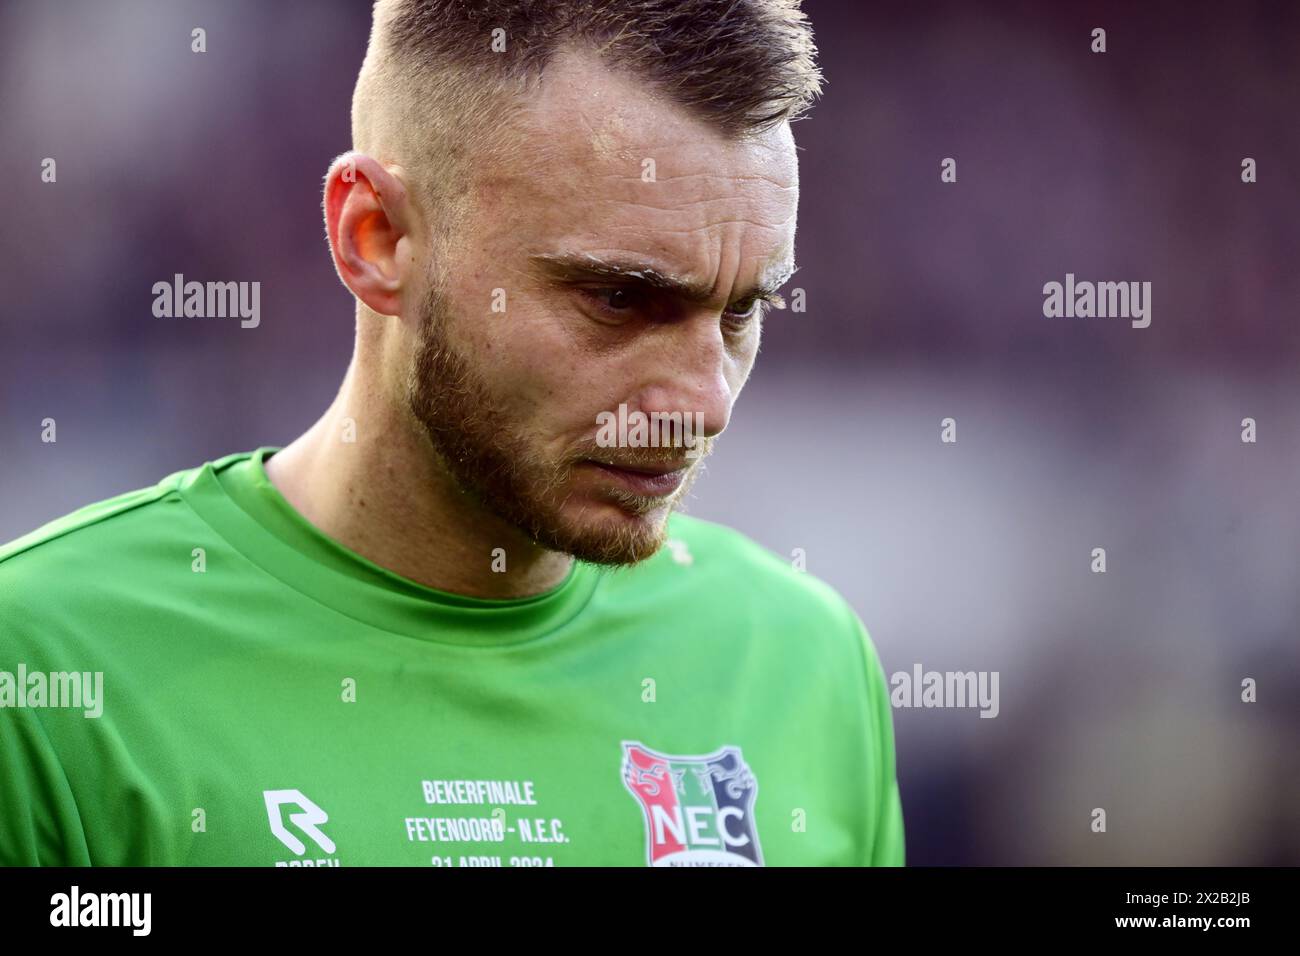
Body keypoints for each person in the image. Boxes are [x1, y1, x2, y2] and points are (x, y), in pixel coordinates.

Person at [0, 0, 903, 867]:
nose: (703, 404)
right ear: (378, 237)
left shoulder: (804, 664)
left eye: (742, 311)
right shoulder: (47, 671)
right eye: (619, 298)